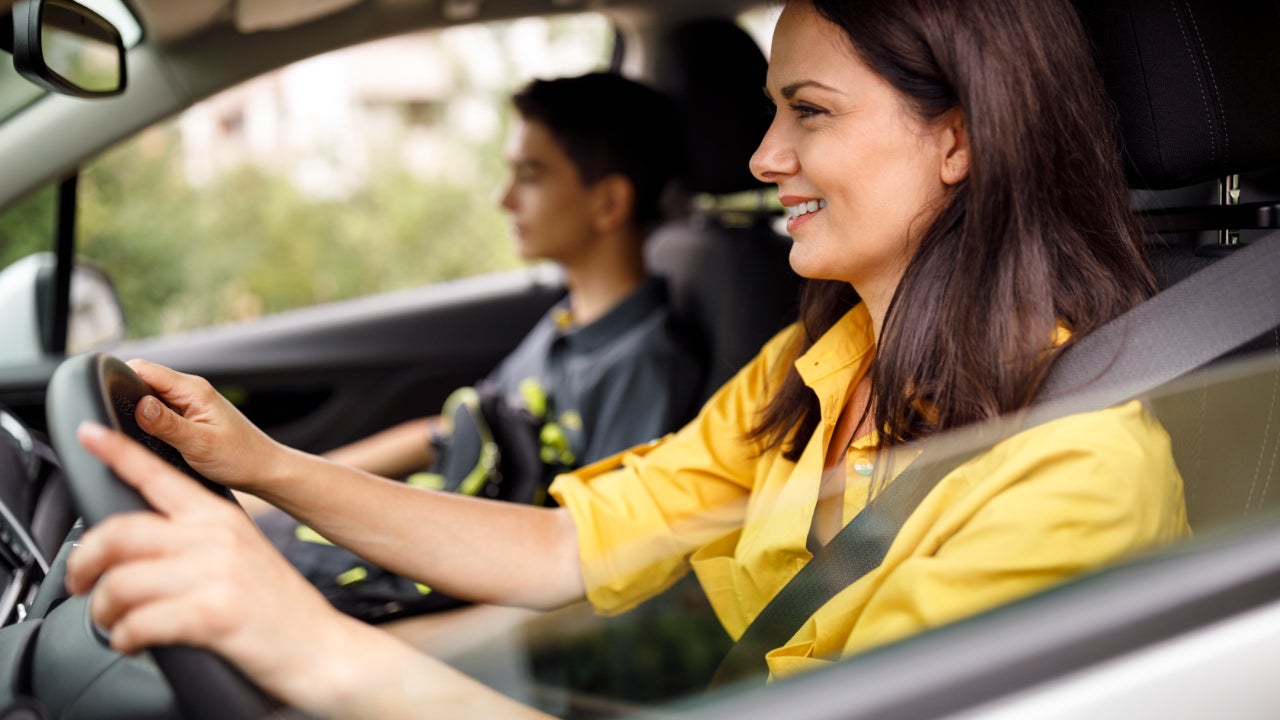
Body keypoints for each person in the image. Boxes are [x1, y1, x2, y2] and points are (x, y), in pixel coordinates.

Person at [65, 0, 1190, 716]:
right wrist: (263, 465)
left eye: (809, 112)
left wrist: (323, 654)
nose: (762, 156)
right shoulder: (817, 368)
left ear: (958, 137)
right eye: (770, 112)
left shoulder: (1073, 475)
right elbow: (565, 548)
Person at [318, 71, 703, 483]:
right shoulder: (569, 323)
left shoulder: (645, 367)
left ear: (609, 202)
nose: (503, 198)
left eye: (530, 176)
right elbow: (456, 430)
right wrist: (298, 478)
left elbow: (589, 523)